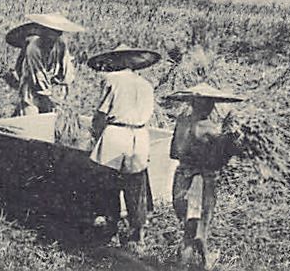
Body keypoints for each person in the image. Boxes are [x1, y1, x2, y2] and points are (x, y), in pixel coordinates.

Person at [87, 44, 161, 251]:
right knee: (136, 185)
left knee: (109, 184)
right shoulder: (146, 85)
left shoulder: (112, 80)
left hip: (116, 134)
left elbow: (101, 114)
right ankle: (138, 235)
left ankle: (110, 230)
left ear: (119, 61)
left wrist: (95, 133)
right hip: (140, 135)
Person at [166, 82, 246, 270]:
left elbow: (173, 153)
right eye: (210, 104)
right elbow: (219, 159)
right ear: (206, 105)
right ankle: (196, 262)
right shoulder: (210, 129)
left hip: (181, 178)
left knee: (188, 224)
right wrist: (232, 140)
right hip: (202, 181)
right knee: (199, 226)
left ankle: (198, 259)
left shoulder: (181, 122)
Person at [5, 13, 84, 116]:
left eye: (58, 32)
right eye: (52, 32)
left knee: (51, 116)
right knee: (31, 114)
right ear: (44, 31)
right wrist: (48, 95)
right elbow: (37, 74)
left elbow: (66, 68)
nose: (55, 35)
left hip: (51, 86)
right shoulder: (34, 47)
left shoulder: (61, 44)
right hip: (33, 85)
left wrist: (63, 86)